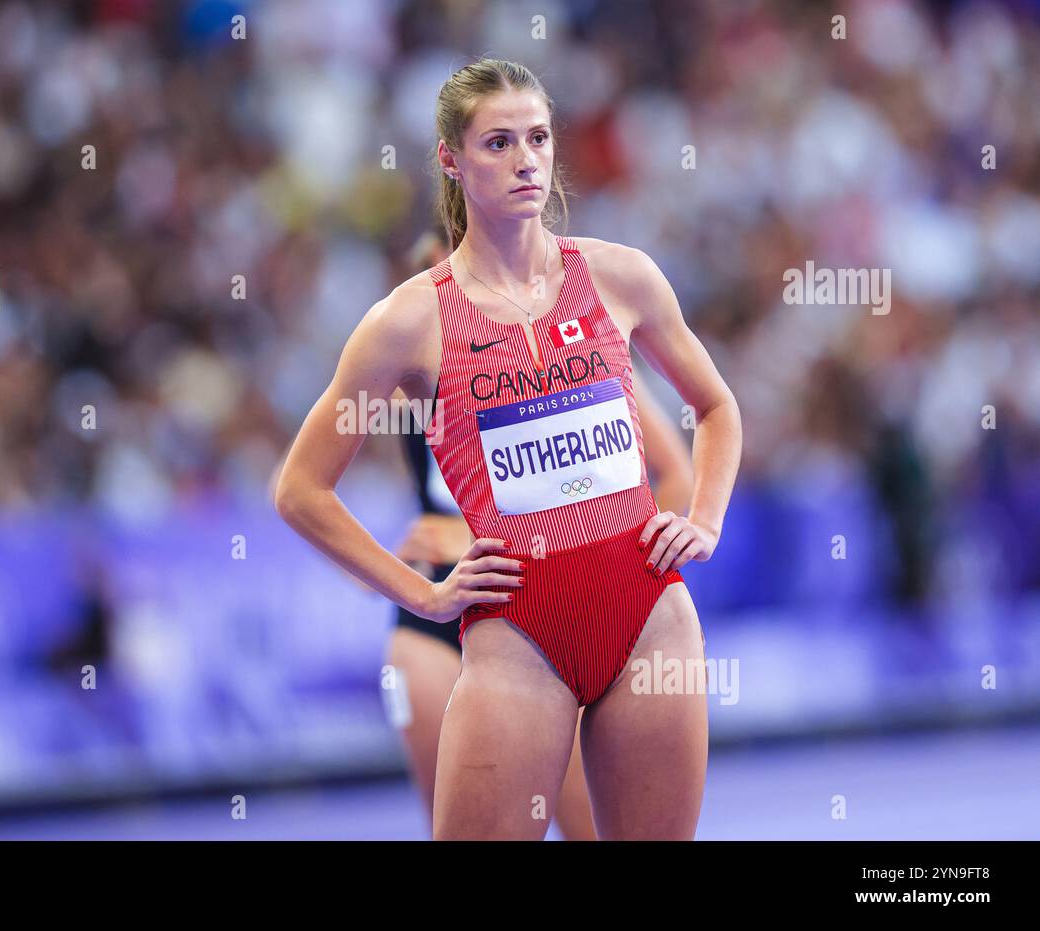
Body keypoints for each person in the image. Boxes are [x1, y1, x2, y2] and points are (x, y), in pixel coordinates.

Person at [275, 58, 741, 840]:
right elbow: (301, 489)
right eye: (498, 143)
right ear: (450, 161)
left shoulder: (622, 276)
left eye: (538, 138)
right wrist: (419, 594)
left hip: (650, 615)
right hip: (519, 635)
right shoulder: (406, 321)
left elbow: (717, 405)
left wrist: (706, 519)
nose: (526, 159)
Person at [386, 230, 695, 840]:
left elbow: (676, 470)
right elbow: (303, 490)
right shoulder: (404, 355)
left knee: (585, 822)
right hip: (439, 616)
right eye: (427, 279)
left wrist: (644, 544)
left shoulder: (569, 345)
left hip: (542, 607)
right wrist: (401, 580)